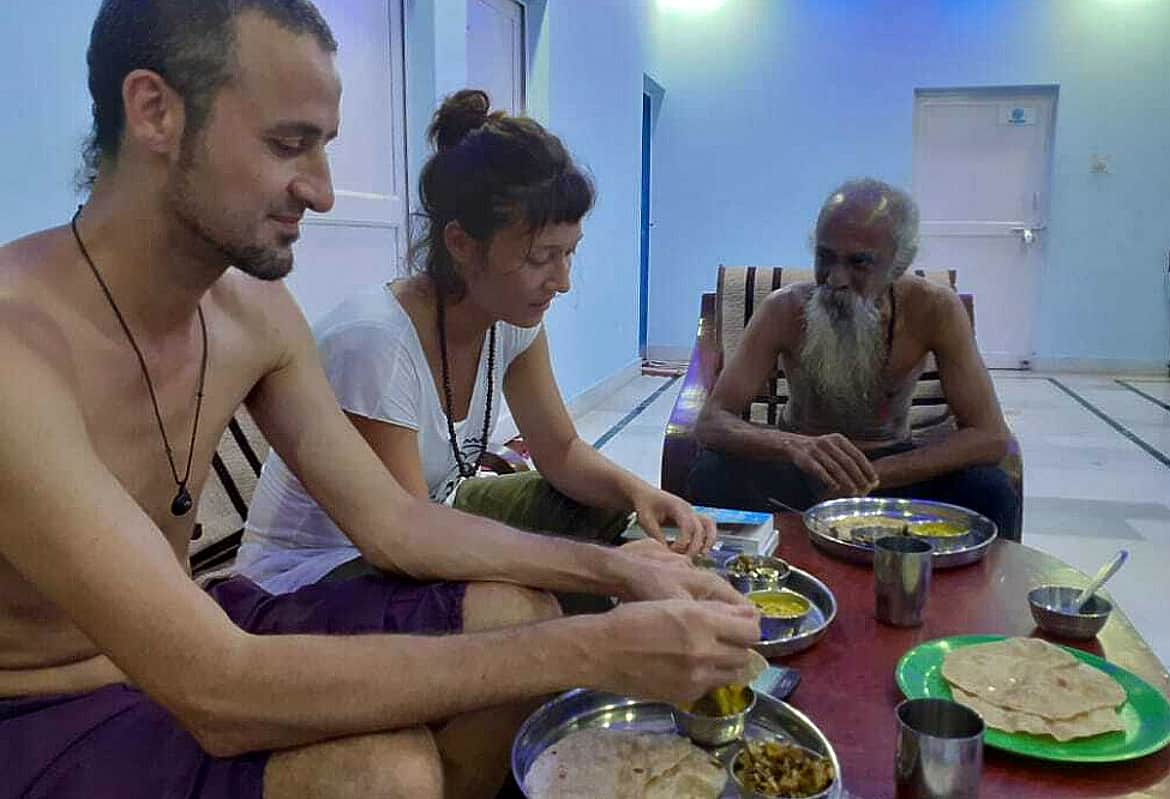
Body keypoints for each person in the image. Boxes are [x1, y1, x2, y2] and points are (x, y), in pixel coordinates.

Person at [0, 3, 758, 798]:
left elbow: (396, 523)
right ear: (155, 111)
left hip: (205, 620)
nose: (323, 192)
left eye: (324, 147)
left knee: (513, 611)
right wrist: (598, 645)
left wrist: (617, 573)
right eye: (288, 144)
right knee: (383, 774)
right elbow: (218, 690)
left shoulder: (251, 315)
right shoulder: (20, 349)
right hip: (43, 702)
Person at [235, 89, 716, 595]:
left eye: (568, 254)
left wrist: (641, 493)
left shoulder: (513, 321)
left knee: (600, 506)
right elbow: (408, 543)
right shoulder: (376, 344)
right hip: (325, 572)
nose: (562, 280)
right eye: (539, 258)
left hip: (424, 523)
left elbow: (562, 451)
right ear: (461, 243)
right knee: (508, 603)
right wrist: (593, 568)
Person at [689, 178, 1019, 539]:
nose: (835, 279)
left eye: (859, 262)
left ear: (899, 263)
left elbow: (990, 436)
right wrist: (796, 446)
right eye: (825, 257)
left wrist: (875, 476)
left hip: (895, 468)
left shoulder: (935, 308)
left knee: (991, 489)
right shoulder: (783, 309)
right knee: (711, 473)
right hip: (799, 465)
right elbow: (712, 421)